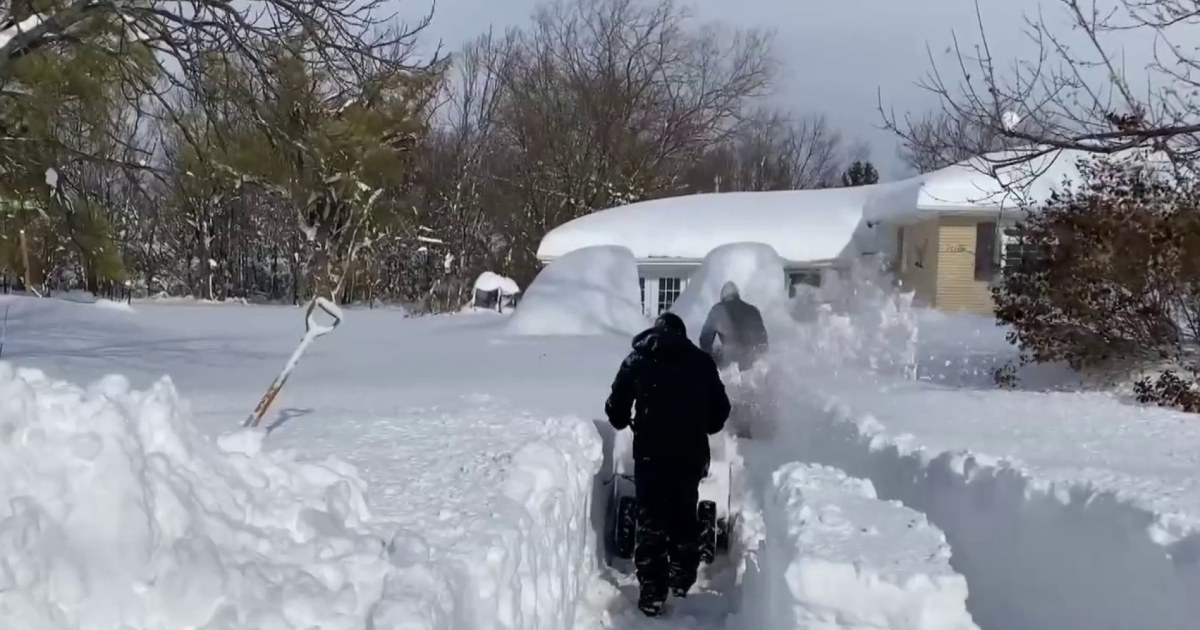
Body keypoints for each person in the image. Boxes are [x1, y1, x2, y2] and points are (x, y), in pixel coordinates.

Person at [605, 312, 731, 617]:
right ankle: (681, 580)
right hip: (690, 454)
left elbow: (616, 411)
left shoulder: (638, 358)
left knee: (650, 520)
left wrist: (628, 416)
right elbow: (721, 411)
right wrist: (702, 423)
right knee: (684, 512)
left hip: (651, 454)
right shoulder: (701, 363)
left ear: (655, 332)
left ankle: (652, 593)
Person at [698, 281, 769, 371]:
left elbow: (705, 338)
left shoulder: (718, 309)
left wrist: (707, 356)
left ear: (723, 297)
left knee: (717, 352)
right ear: (737, 295)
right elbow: (763, 339)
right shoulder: (753, 310)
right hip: (752, 356)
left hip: (730, 357)